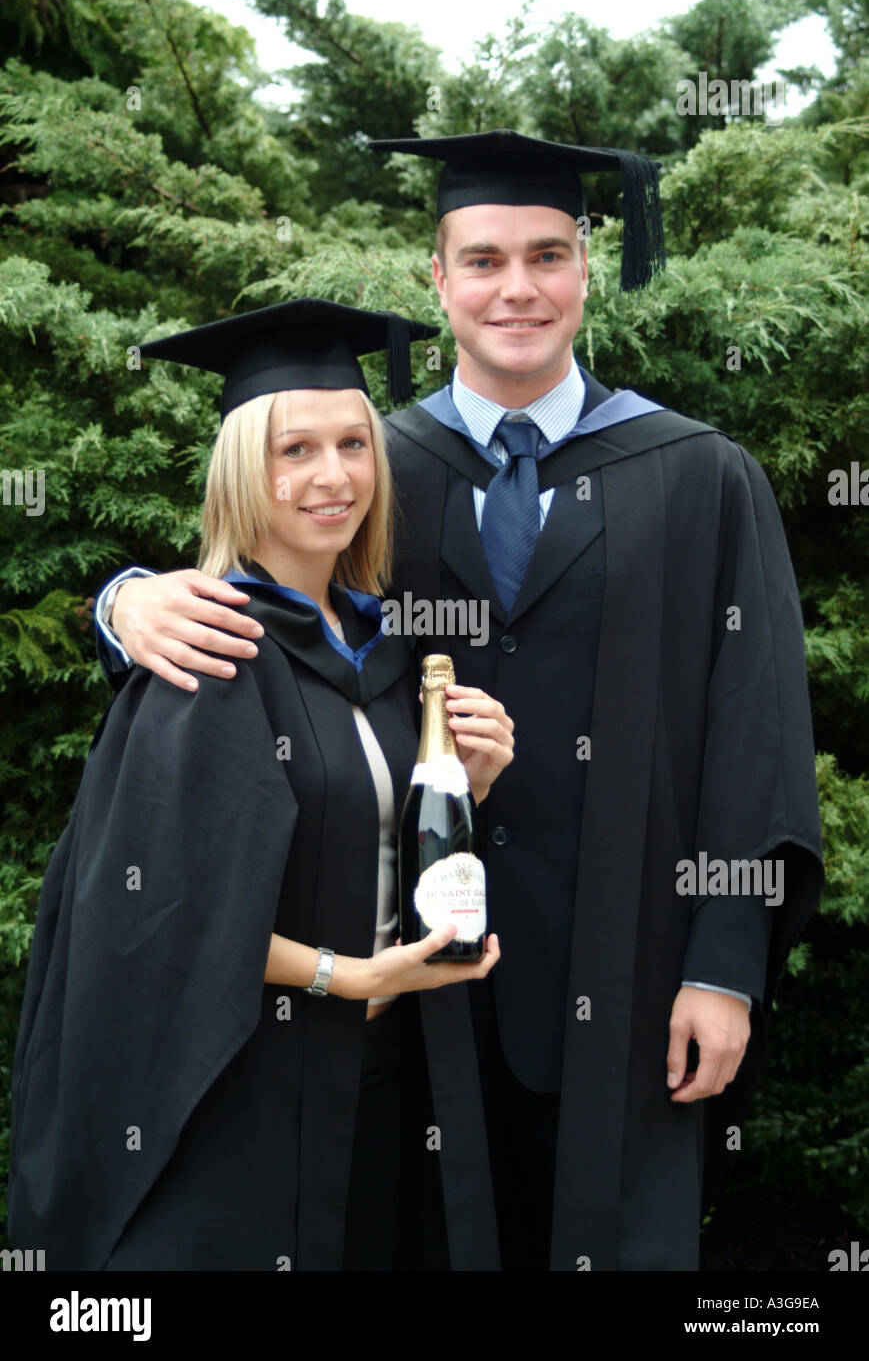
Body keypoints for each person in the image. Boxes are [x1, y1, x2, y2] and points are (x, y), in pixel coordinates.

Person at [85, 132, 823, 1271]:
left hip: (627, 982)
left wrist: (722, 966)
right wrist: (123, 603)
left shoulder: (698, 474)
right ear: (435, 281)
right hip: (408, 1006)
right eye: (480, 260)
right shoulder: (371, 468)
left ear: (587, 264)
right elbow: (260, 611)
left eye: (545, 255)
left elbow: (757, 728)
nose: (514, 289)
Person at [7, 298, 515, 1272]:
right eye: (295, 450)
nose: (332, 477)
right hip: (248, 1093)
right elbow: (165, 915)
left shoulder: (382, 648)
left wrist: (467, 789)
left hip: (379, 1082)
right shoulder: (211, 642)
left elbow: (348, 848)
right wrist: (350, 978)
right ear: (247, 469)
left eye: (353, 444)